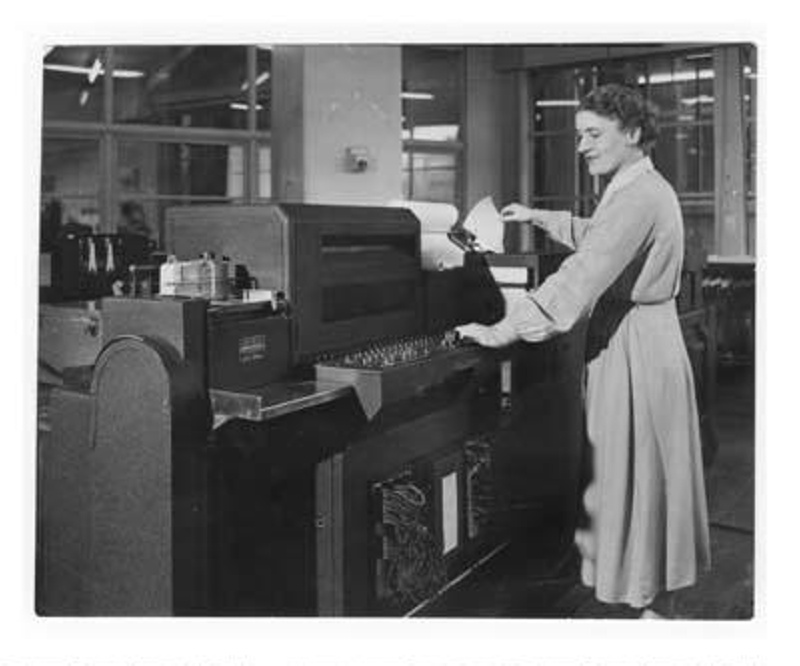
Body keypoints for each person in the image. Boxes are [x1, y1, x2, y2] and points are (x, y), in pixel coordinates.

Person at [456, 83, 711, 618]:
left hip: (636, 348)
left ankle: (654, 615)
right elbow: (600, 235)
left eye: (594, 134)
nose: (582, 146)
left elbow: (582, 275)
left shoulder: (639, 194)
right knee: (641, 481)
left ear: (634, 133)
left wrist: (504, 329)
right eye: (579, 136)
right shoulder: (637, 185)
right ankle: (652, 609)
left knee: (640, 481)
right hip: (636, 341)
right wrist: (538, 217)